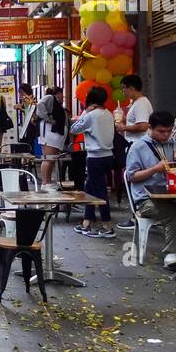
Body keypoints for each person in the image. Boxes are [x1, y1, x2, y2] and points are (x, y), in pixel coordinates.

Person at [124, 110, 176, 271]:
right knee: (173, 213)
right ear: (150, 128)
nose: (166, 135)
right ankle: (171, 254)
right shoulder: (138, 147)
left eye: (169, 131)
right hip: (145, 199)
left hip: (171, 192)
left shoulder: (173, 143)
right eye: (161, 131)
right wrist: (155, 169)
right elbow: (132, 176)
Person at [69, 87, 116, 238]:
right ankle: (86, 222)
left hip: (95, 156)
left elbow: (74, 129)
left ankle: (107, 225)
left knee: (100, 191)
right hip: (108, 155)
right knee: (90, 188)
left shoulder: (91, 115)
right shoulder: (108, 114)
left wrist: (84, 113)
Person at [114, 75, 152, 230]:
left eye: (124, 88)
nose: (123, 91)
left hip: (138, 146)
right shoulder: (136, 103)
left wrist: (124, 128)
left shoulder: (141, 103)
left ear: (131, 88)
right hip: (134, 145)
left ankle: (138, 215)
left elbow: (143, 125)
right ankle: (137, 214)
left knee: (135, 181)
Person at [36, 86, 68, 189]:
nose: (62, 96)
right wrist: (49, 119)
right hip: (49, 133)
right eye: (61, 94)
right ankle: (45, 183)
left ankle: (48, 181)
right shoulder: (50, 97)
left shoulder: (59, 105)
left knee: (52, 159)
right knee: (48, 158)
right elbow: (40, 105)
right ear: (57, 93)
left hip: (55, 134)